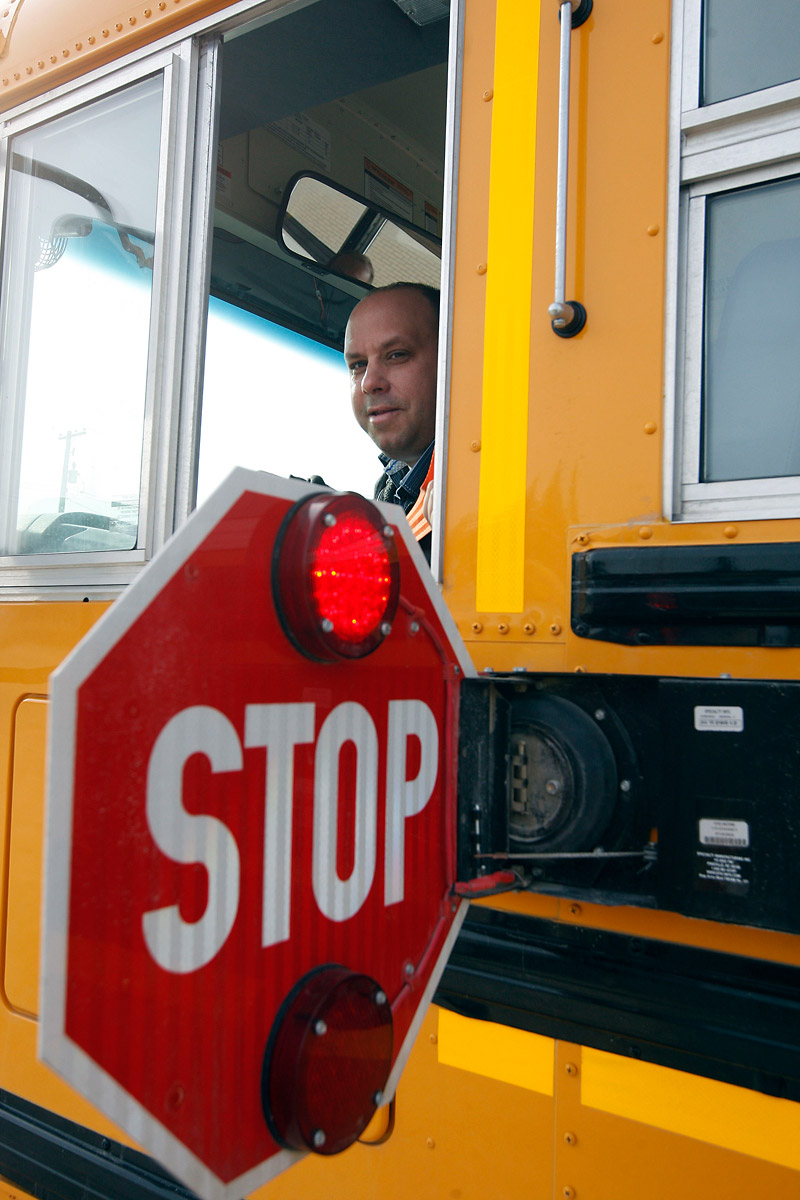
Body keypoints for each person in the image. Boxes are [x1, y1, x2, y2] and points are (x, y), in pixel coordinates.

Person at [343, 282, 439, 561]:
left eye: (397, 355)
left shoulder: (499, 478)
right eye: (358, 365)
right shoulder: (390, 492)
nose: (369, 382)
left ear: (455, 359)